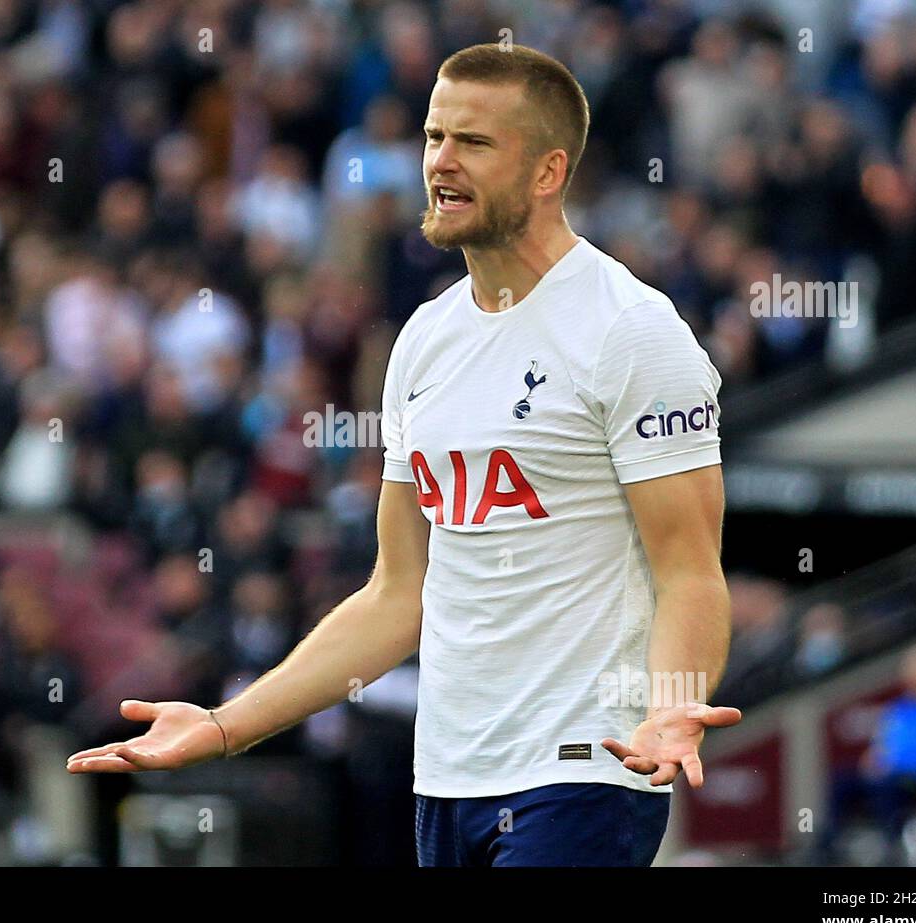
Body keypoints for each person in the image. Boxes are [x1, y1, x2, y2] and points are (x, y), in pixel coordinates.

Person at [68, 43, 741, 867]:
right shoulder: (425, 339)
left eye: (475, 143)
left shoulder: (632, 331)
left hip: (584, 772)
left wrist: (673, 706)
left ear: (547, 172)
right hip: (446, 780)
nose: (440, 163)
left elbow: (691, 571)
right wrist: (223, 725)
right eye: (433, 137)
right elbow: (395, 595)